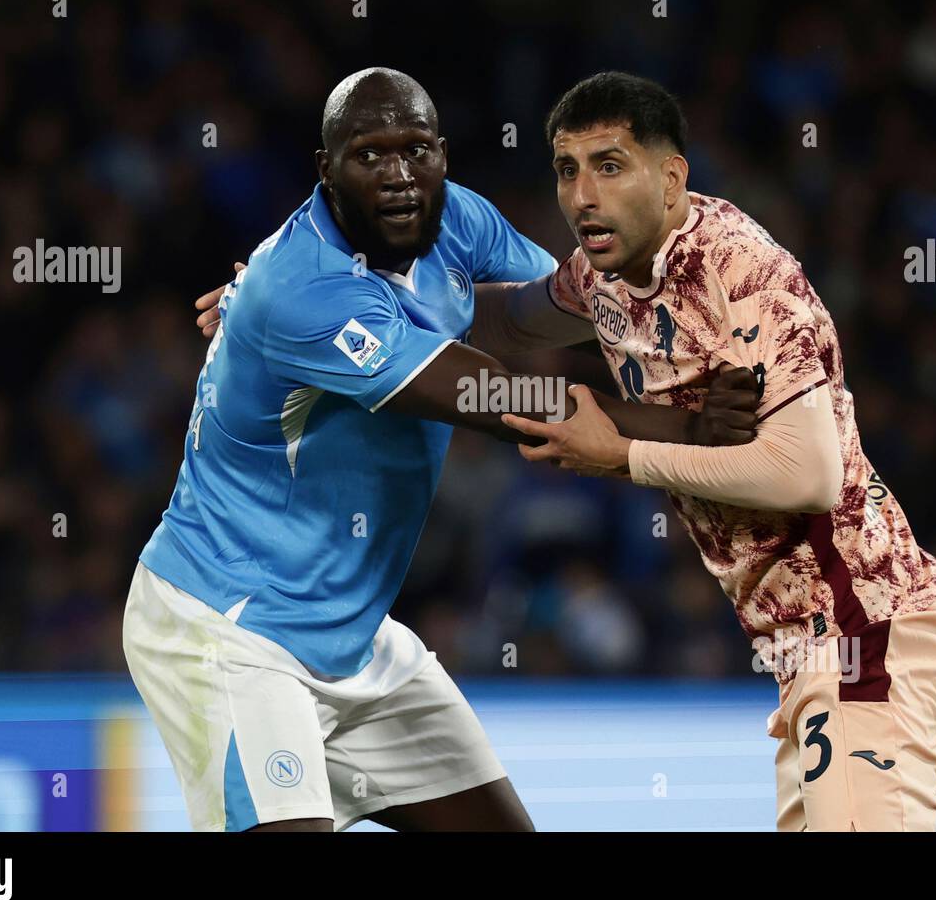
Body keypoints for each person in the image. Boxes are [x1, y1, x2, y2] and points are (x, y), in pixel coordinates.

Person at [131, 67, 759, 833]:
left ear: (443, 155)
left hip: (351, 636)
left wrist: (697, 346)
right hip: (231, 627)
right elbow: (493, 398)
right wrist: (687, 427)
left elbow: (559, 311)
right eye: (370, 156)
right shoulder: (302, 290)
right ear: (326, 171)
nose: (399, 177)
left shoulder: (454, 219)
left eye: (416, 152)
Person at [499, 71, 936, 831]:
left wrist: (620, 454)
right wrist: (360, 288)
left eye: (609, 166)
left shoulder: (743, 272)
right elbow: (514, 323)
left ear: (671, 176)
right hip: (802, 655)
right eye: (567, 169)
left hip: (867, 627)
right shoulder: (604, 279)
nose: (583, 193)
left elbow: (807, 474)